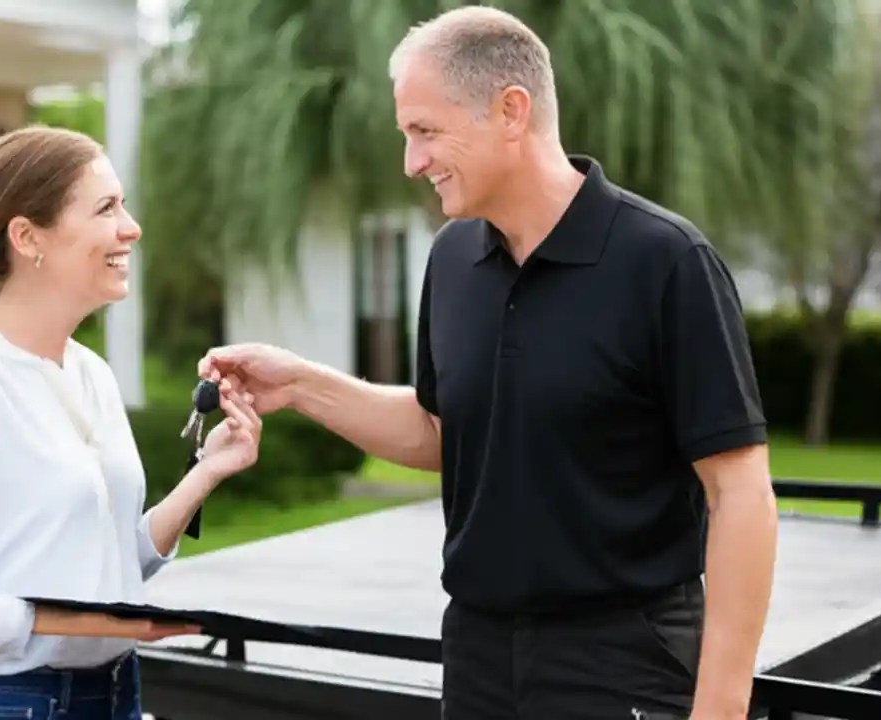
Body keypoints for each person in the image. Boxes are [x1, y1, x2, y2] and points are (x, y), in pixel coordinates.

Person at [199, 7, 777, 720]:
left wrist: (721, 709)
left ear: (511, 111)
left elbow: (741, 494)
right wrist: (299, 384)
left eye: (425, 131)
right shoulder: (452, 259)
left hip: (623, 661)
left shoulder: (665, 262)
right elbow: (445, 433)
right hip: (475, 656)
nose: (412, 162)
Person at [0, 126, 263, 720]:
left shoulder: (91, 374)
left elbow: (110, 564)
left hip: (117, 697)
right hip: (13, 705)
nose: (130, 227)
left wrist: (208, 472)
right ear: (27, 237)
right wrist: (74, 622)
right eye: (106, 208)